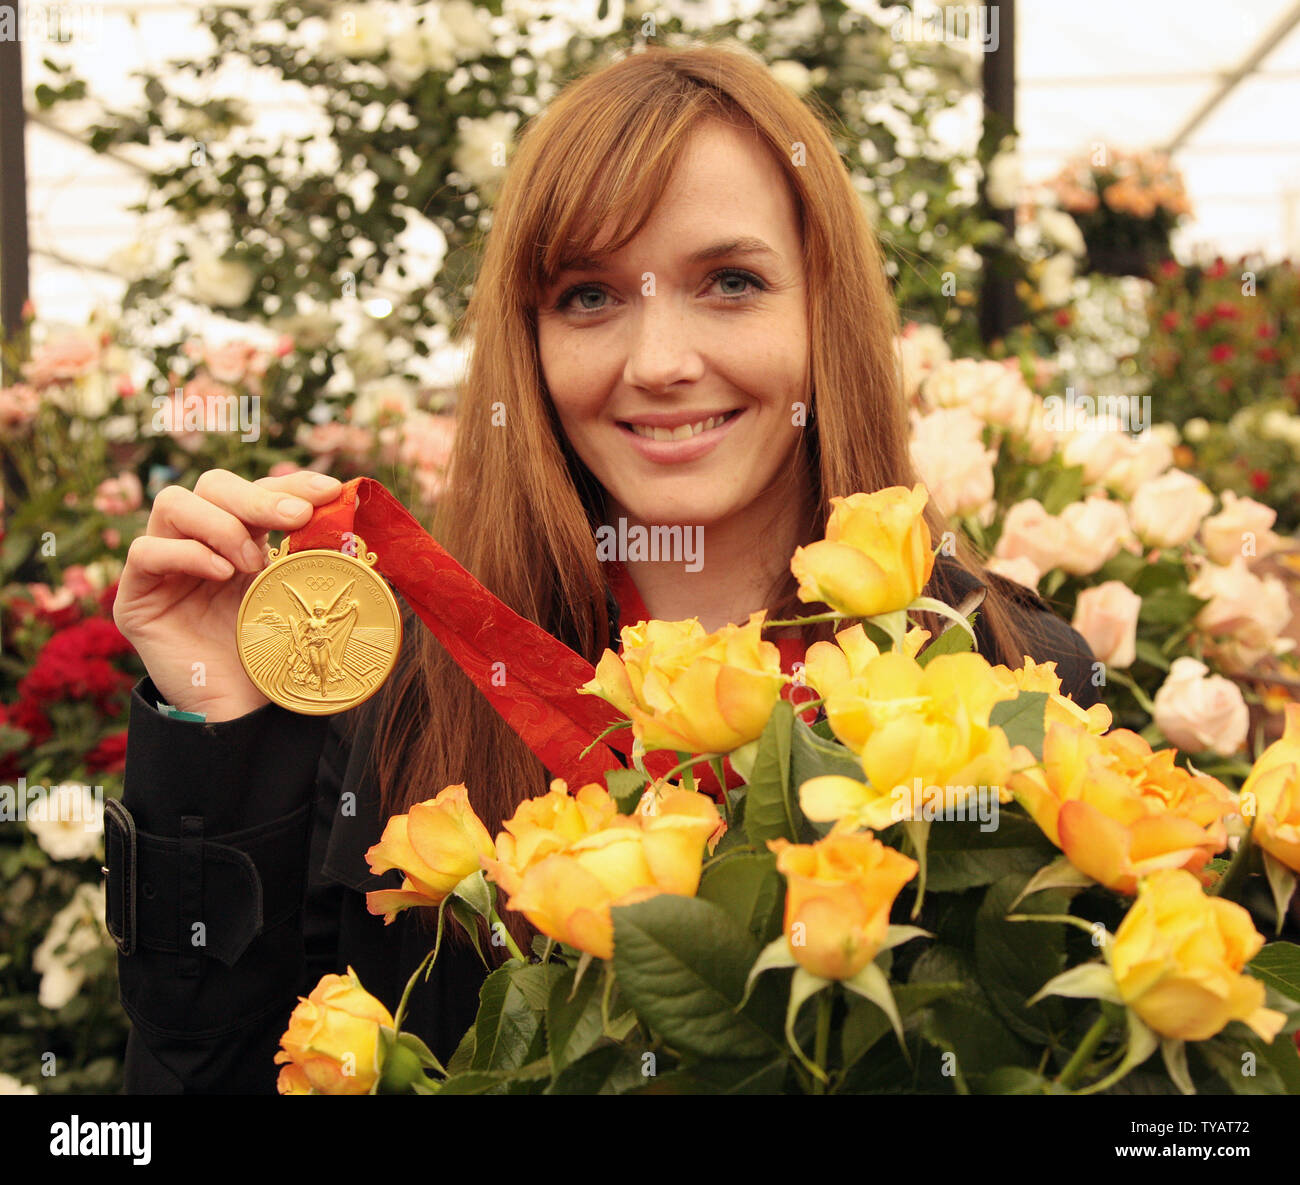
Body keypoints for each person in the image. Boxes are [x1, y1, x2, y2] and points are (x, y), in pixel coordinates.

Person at [109, 43, 1100, 1093]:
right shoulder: (405, 702)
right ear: (526, 341)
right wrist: (217, 723)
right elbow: (198, 1077)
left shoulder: (1013, 677)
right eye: (588, 296)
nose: (659, 363)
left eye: (730, 282)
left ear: (827, 310)